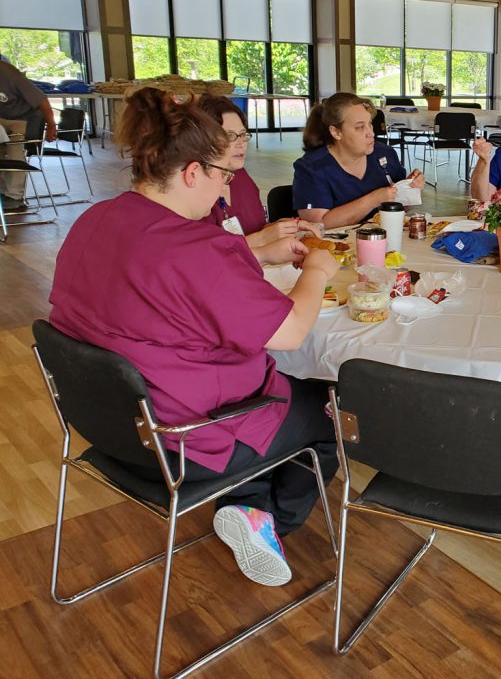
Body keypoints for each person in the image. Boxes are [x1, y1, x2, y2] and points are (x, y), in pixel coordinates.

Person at [49, 88, 341, 587]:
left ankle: (248, 504)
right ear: (192, 173)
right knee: (331, 409)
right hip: (187, 435)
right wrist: (317, 269)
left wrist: (253, 257)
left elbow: (158, 284)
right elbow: (290, 332)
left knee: (289, 393)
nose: (225, 191)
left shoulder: (96, 220)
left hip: (112, 424)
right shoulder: (196, 246)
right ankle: (263, 517)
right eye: (223, 176)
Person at [196, 94, 322, 247]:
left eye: (243, 135)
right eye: (230, 136)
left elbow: (255, 229)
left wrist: (283, 228)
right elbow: (205, 255)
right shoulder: (195, 191)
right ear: (203, 139)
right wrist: (263, 237)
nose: (241, 143)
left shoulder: (241, 177)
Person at [292, 92, 424, 229]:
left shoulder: (385, 154)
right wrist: (373, 200)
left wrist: (409, 189)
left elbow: (399, 209)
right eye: (359, 127)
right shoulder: (311, 168)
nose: (371, 133)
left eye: (370, 124)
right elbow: (318, 224)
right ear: (336, 132)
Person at [0, 58, 58, 208]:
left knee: (14, 147)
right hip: (2, 119)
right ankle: (2, 190)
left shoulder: (11, 74)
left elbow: (42, 101)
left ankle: (15, 195)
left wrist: (51, 125)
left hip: (23, 119)